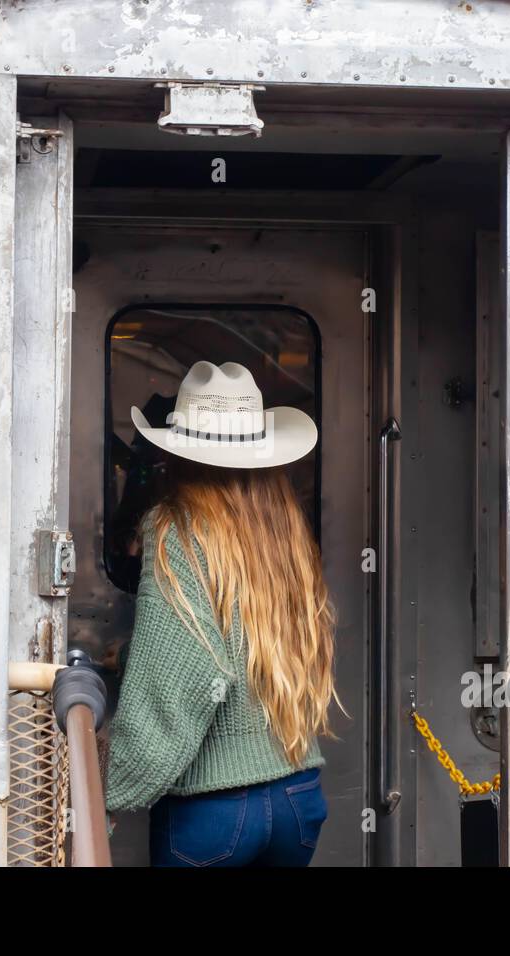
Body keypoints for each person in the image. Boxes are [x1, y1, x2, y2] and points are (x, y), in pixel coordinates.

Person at [103, 360, 342, 867]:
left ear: (177, 455)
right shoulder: (286, 532)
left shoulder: (176, 528)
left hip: (215, 810)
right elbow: (238, 642)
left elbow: (181, 677)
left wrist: (114, 787)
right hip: (297, 795)